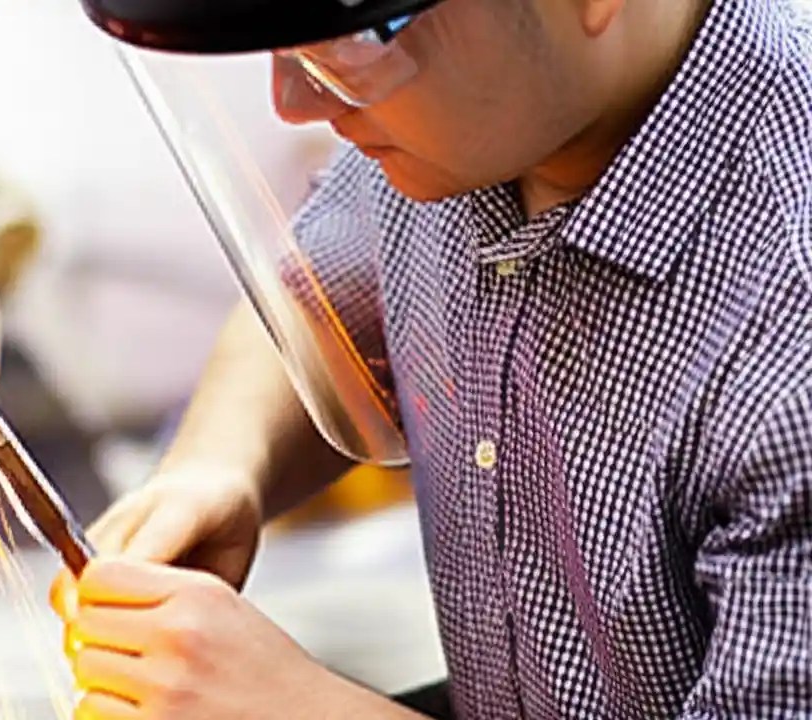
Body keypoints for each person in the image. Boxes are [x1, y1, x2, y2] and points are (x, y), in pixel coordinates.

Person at [51, 0, 812, 717]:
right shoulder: (465, 122)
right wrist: (221, 464)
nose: (294, 101)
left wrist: (309, 707)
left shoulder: (787, 335)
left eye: (349, 40)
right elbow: (326, 294)